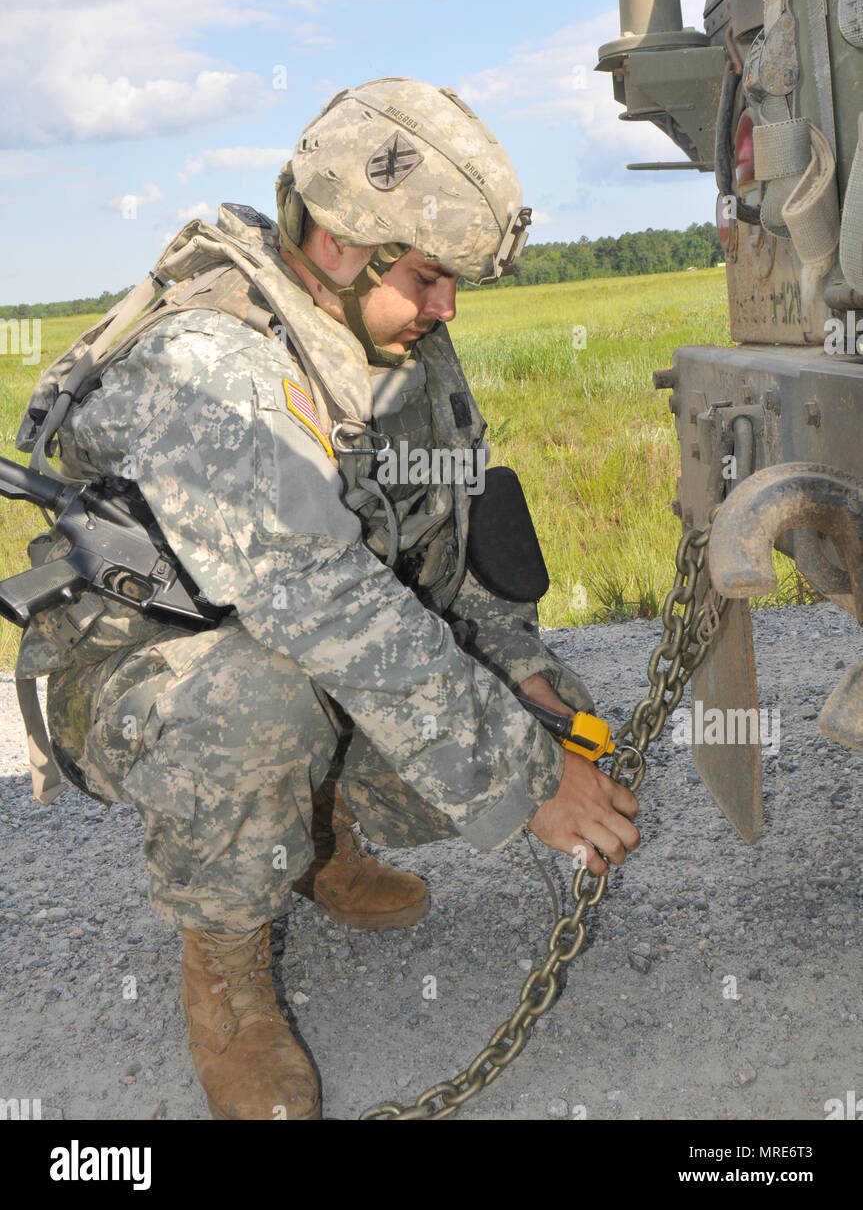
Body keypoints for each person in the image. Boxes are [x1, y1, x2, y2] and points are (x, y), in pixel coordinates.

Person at [14, 77, 639, 1120]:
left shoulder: (393, 337)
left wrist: (522, 675)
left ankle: (314, 833)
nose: (446, 309)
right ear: (343, 244)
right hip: (153, 681)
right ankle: (225, 978)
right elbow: (326, 606)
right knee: (261, 703)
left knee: (532, 705)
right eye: (431, 278)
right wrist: (528, 778)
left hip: (314, 650)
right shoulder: (207, 366)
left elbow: (459, 525)